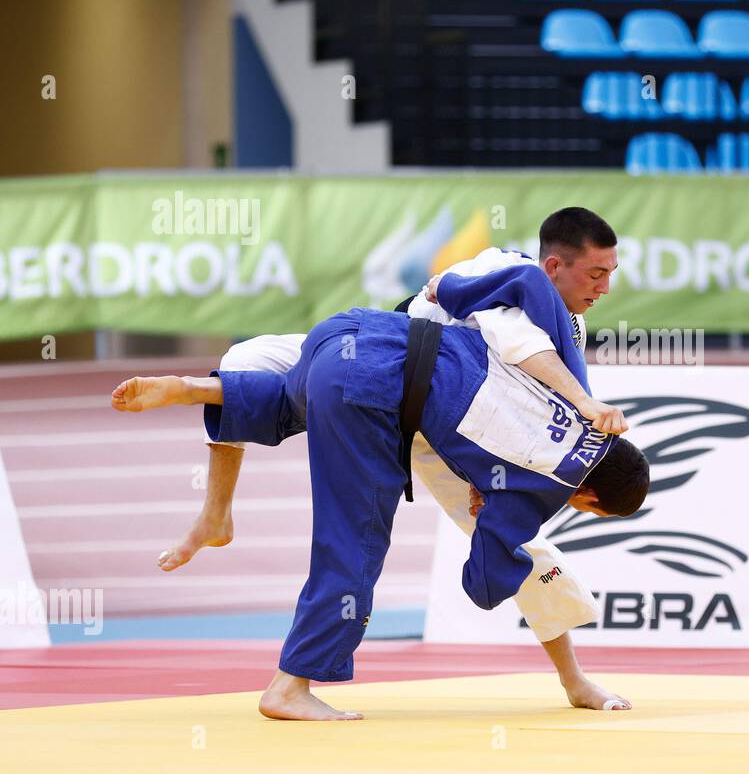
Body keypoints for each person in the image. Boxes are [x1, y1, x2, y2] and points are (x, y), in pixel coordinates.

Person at [113, 263, 650, 721]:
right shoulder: (544, 488)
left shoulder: (577, 385)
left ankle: (206, 390)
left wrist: (449, 291)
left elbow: (527, 280)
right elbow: (484, 583)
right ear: (591, 499)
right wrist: (496, 520)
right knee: (356, 540)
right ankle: (290, 686)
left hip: (358, 334)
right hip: (380, 401)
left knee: (298, 397)